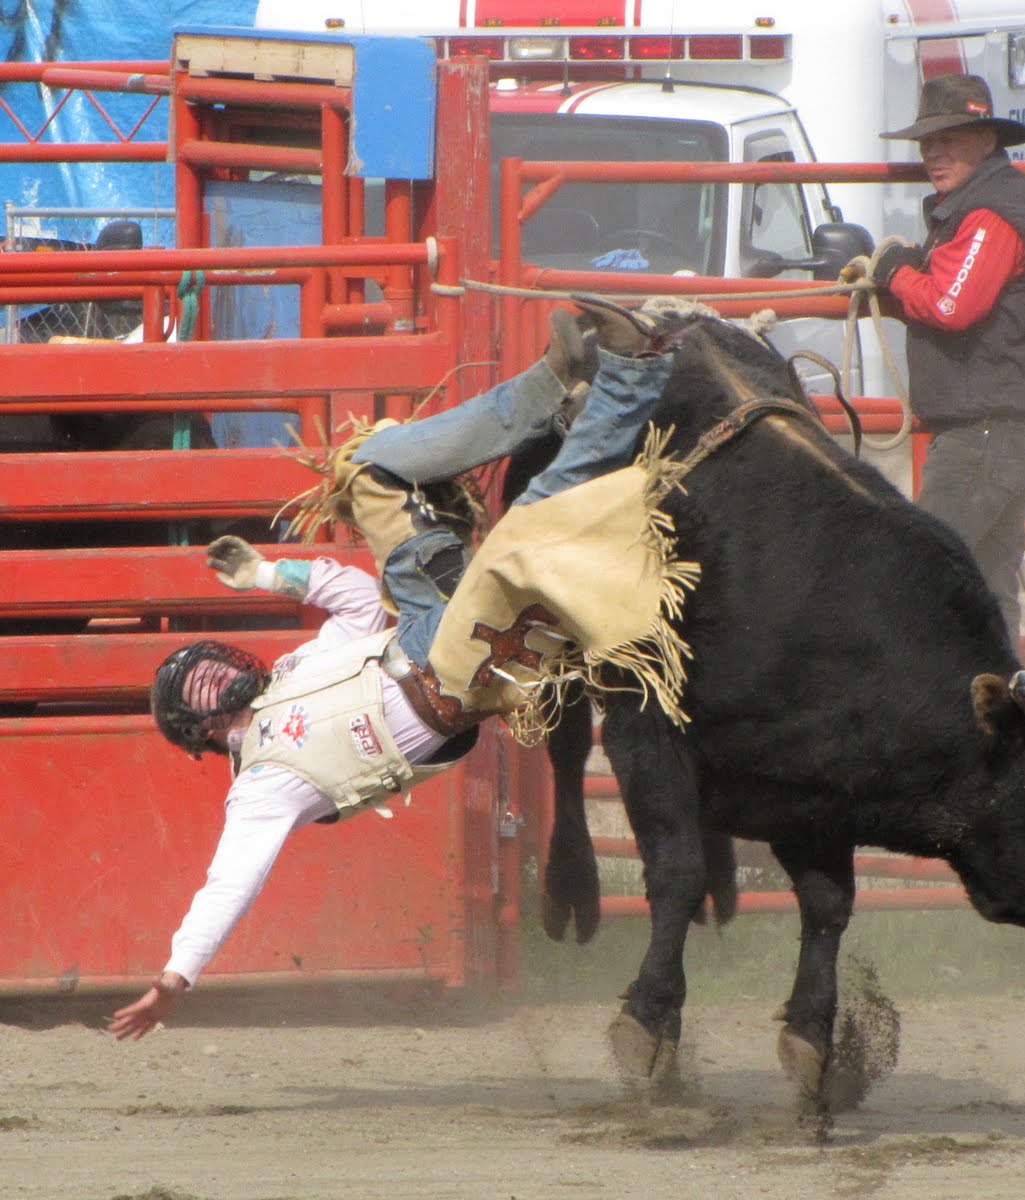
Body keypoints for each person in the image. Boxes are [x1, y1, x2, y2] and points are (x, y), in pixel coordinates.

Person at [109, 300, 685, 1039]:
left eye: (203, 669)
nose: (212, 678)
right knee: (530, 528)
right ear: (207, 730)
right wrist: (173, 978)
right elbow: (230, 883)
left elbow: (353, 598)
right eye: (197, 692)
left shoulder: (293, 668)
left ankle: (551, 385)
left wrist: (266, 576)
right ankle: (632, 383)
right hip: (452, 679)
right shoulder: (263, 788)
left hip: (415, 621)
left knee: (367, 471)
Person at [872, 73, 1025, 642]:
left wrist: (893, 273)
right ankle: (1002, 715)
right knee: (987, 585)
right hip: (1009, 426)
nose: (933, 152)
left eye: (950, 138)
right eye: (926, 142)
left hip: (990, 432)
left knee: (920, 574)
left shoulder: (987, 215)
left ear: (986, 140)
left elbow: (949, 304)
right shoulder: (986, 207)